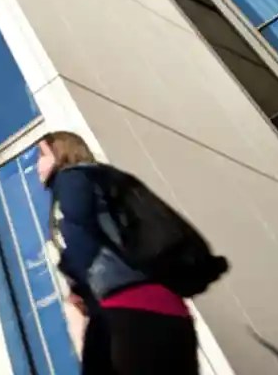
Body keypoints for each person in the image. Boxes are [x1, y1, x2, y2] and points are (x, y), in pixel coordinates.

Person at [37, 131, 198, 375]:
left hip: (126, 312)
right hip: (171, 309)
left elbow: (79, 238)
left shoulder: (70, 180)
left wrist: (77, 290)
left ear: (57, 153)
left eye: (40, 155)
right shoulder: (109, 179)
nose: (37, 164)